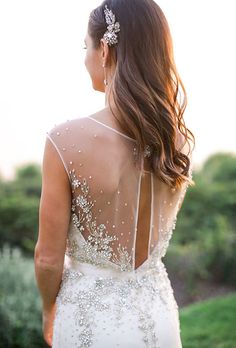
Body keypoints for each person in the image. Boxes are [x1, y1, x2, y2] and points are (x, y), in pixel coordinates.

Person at [34, 0, 195, 347]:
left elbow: (48, 259)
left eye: (85, 47)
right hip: (158, 315)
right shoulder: (178, 140)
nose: (85, 57)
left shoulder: (64, 140)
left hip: (89, 322)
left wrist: (50, 309)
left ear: (104, 50)